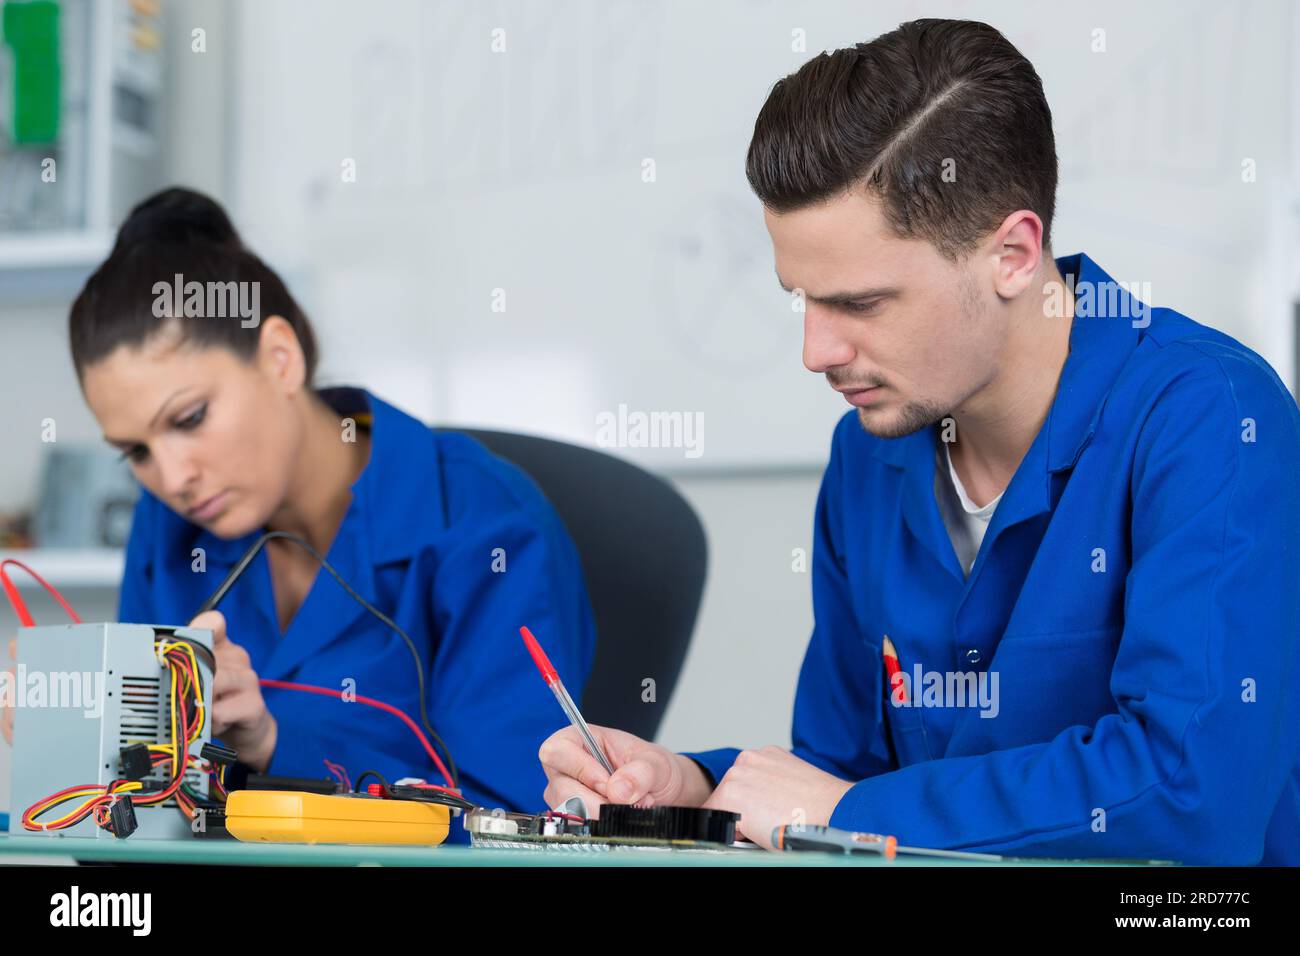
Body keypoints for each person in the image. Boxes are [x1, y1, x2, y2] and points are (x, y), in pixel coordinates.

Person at [539, 19, 1300, 865]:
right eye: (802, 298)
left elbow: (1190, 791)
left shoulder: (1214, 421)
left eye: (860, 304)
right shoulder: (868, 454)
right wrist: (695, 787)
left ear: (1012, 255)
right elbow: (841, 777)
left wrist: (858, 810)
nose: (815, 352)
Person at [3, 188, 596, 837]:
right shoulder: (167, 525)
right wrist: (71, 756)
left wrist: (276, 743)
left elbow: (511, 825)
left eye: (190, 419)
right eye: (135, 452)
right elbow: (135, 832)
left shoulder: (487, 526)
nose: (171, 477)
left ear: (279, 358)